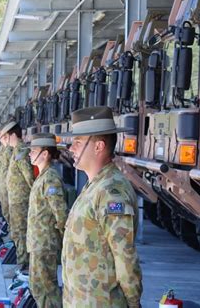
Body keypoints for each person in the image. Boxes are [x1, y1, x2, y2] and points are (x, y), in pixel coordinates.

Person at [60, 106, 143, 307]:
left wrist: (133, 301)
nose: (71, 148)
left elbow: (124, 255)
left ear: (98, 146)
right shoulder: (94, 186)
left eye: (78, 143)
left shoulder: (111, 191)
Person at [27, 133, 67, 307]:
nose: (30, 153)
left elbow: (61, 213)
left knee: (47, 287)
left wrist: (64, 241)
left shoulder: (50, 178)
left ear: (45, 154)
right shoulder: (43, 176)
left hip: (45, 243)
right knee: (37, 286)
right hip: (38, 242)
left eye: (33, 150)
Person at [3, 121, 34, 270]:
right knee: (17, 231)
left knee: (21, 232)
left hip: (21, 200)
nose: (5, 140)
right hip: (16, 199)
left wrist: (33, 196)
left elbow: (28, 176)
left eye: (7, 136)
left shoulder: (21, 151)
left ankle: (24, 265)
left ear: (13, 135)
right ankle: (22, 262)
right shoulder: (16, 151)